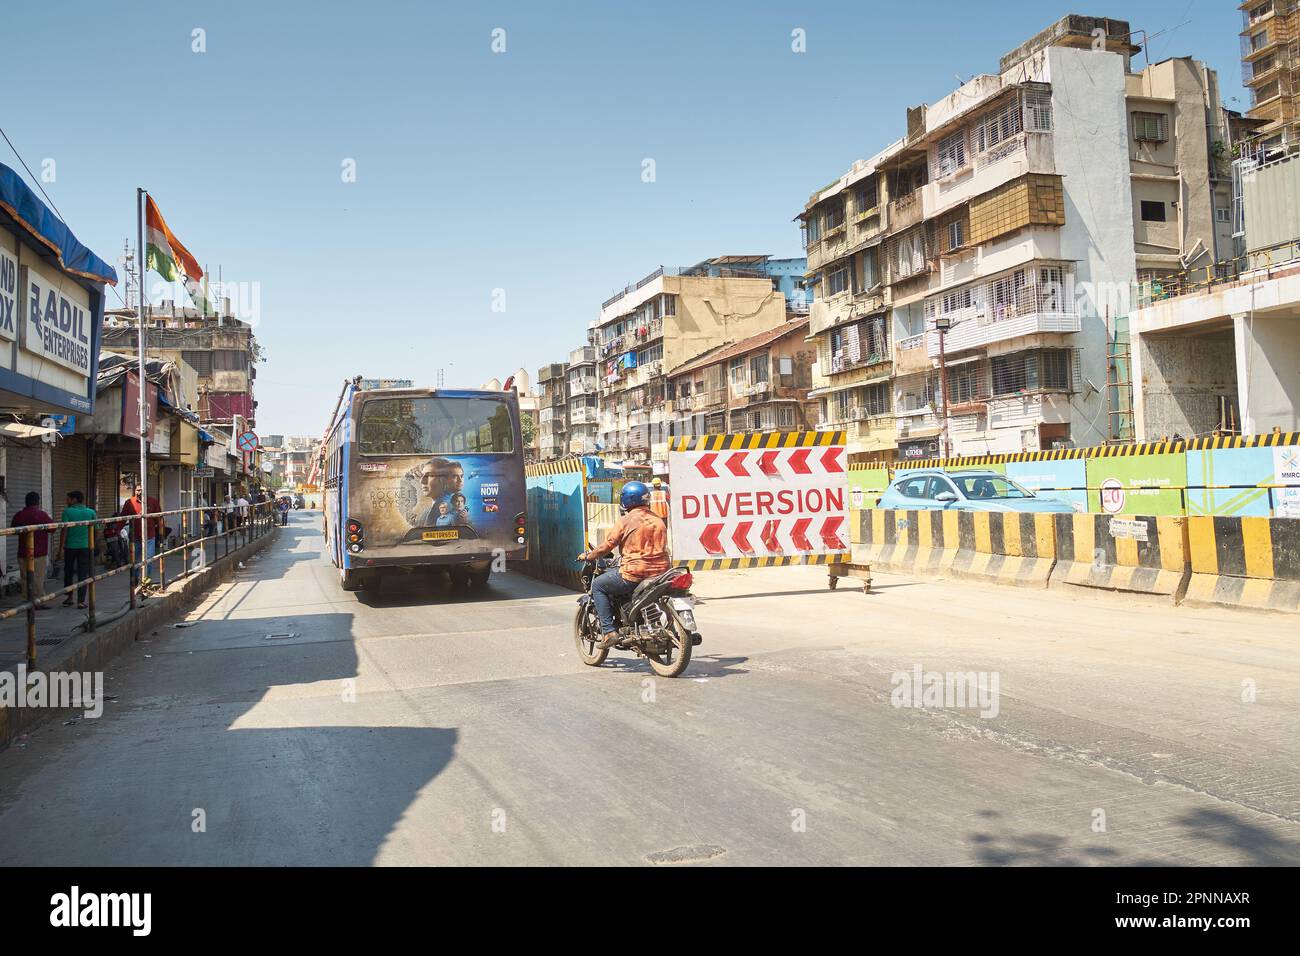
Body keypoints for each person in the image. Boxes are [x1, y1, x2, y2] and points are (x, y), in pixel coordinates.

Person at [577, 480, 670, 648]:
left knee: (598, 585)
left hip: (634, 573)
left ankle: (609, 632)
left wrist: (590, 556)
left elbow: (607, 546)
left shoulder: (626, 520)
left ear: (627, 500)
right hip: (661, 573)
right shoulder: (658, 520)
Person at [55, 490, 97, 608]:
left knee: (68, 571)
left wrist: (60, 548)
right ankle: (81, 601)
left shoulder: (67, 512)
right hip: (85, 547)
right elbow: (96, 530)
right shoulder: (91, 512)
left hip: (70, 547)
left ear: (74, 500)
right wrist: (92, 543)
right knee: (82, 573)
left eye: (68, 499)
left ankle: (69, 597)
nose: (66, 501)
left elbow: (64, 530)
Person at [12, 492, 54, 610]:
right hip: (39, 552)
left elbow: (13, 529)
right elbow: (53, 528)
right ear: (38, 502)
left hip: (23, 552)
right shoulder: (41, 515)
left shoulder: (19, 515)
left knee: (25, 576)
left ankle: (28, 599)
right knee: (38, 577)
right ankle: (38, 600)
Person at [117, 484, 162, 586]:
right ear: (135, 491)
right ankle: (135, 579)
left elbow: (159, 518)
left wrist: (161, 534)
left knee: (149, 559)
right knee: (135, 560)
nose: (139, 492)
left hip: (149, 536)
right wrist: (118, 530)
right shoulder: (129, 502)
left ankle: (147, 580)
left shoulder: (153, 502)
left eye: (141, 490)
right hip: (135, 537)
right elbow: (123, 517)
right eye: (137, 490)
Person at [412, 458, 466, 526]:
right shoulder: (426, 513)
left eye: (430, 475)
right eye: (423, 475)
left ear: (442, 480)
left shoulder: (448, 506)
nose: (422, 481)